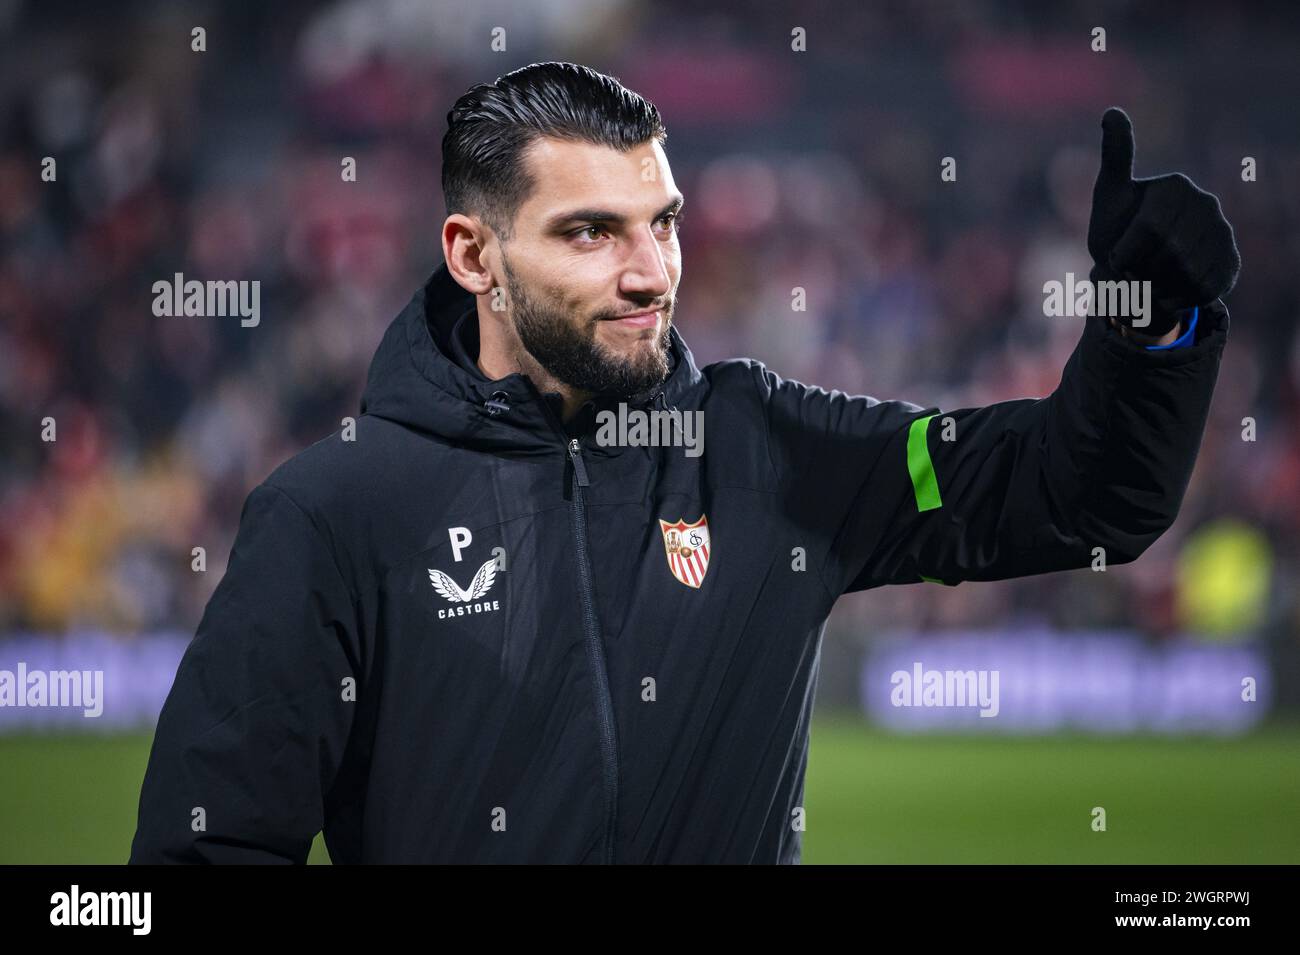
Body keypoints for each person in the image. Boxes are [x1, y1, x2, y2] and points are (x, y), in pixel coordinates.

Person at [130, 62, 1239, 864]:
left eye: (662, 223)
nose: (650, 270)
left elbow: (1072, 494)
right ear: (475, 255)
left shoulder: (771, 450)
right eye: (589, 232)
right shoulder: (337, 508)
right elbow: (207, 847)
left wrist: (1152, 336)